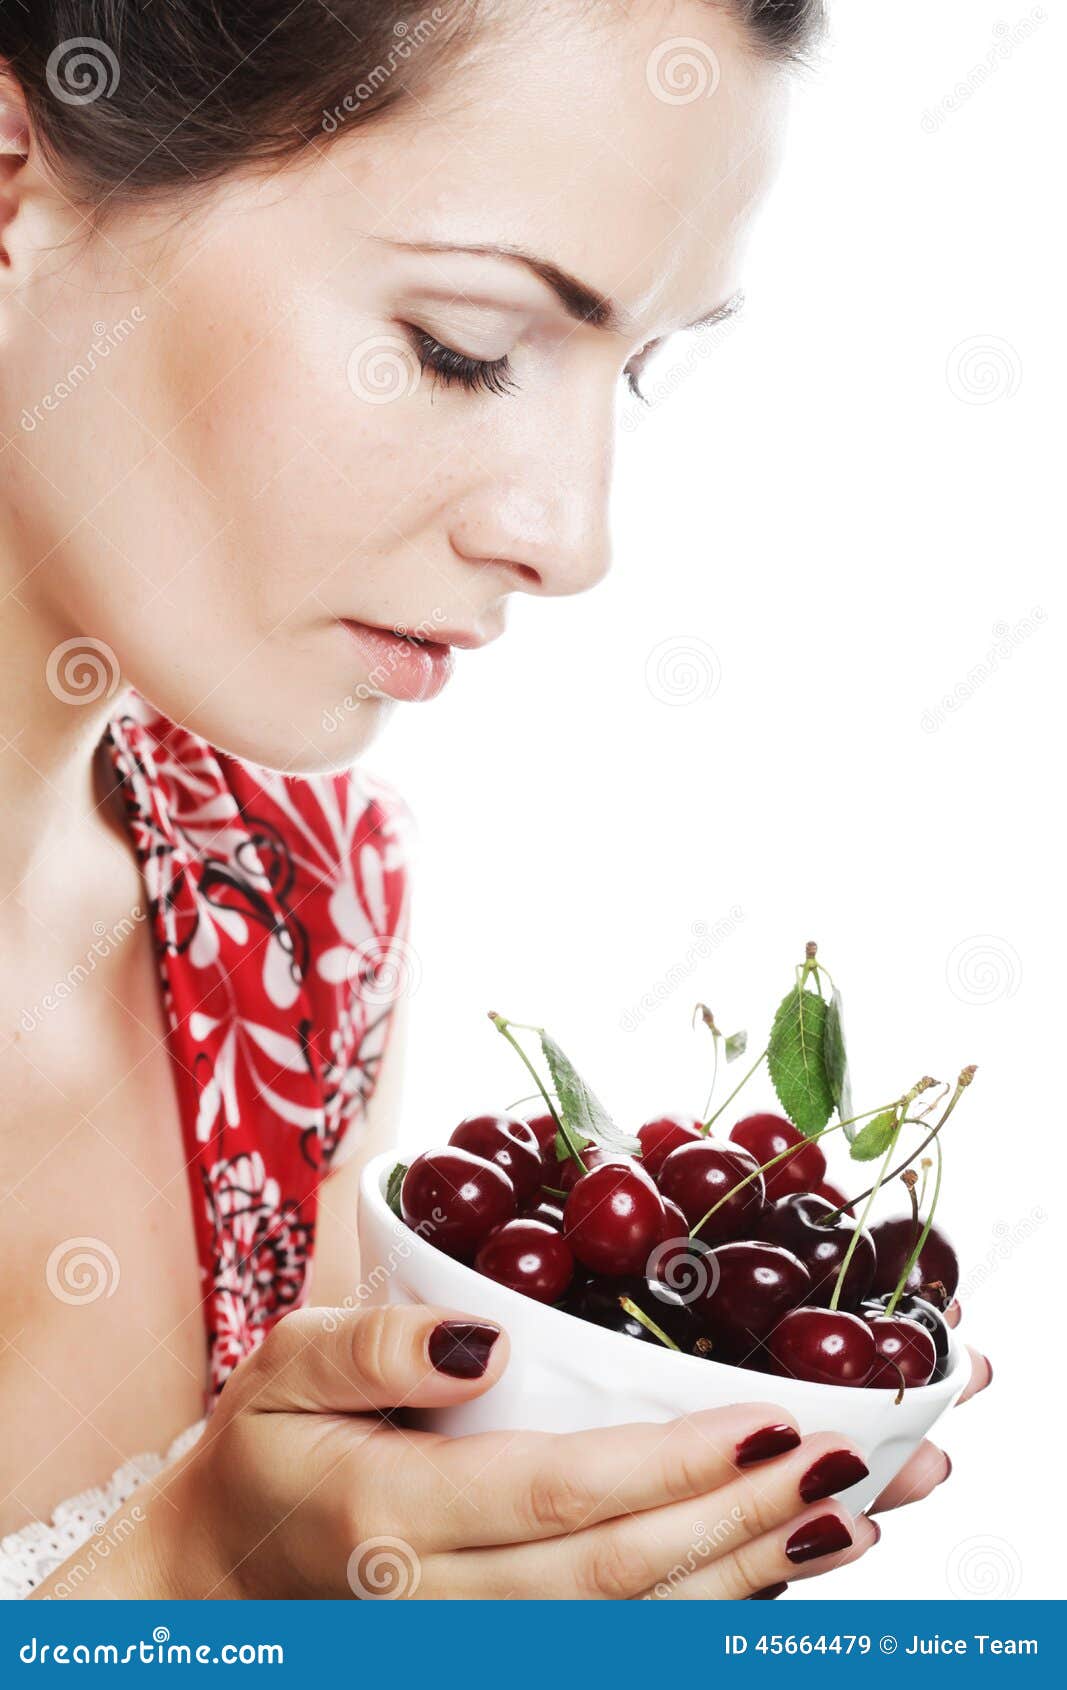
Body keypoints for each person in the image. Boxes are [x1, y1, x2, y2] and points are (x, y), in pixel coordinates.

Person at [0, 0, 991, 1599]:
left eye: (641, 365)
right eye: (465, 341)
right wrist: (186, 1578)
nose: (575, 535)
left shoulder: (304, 916)